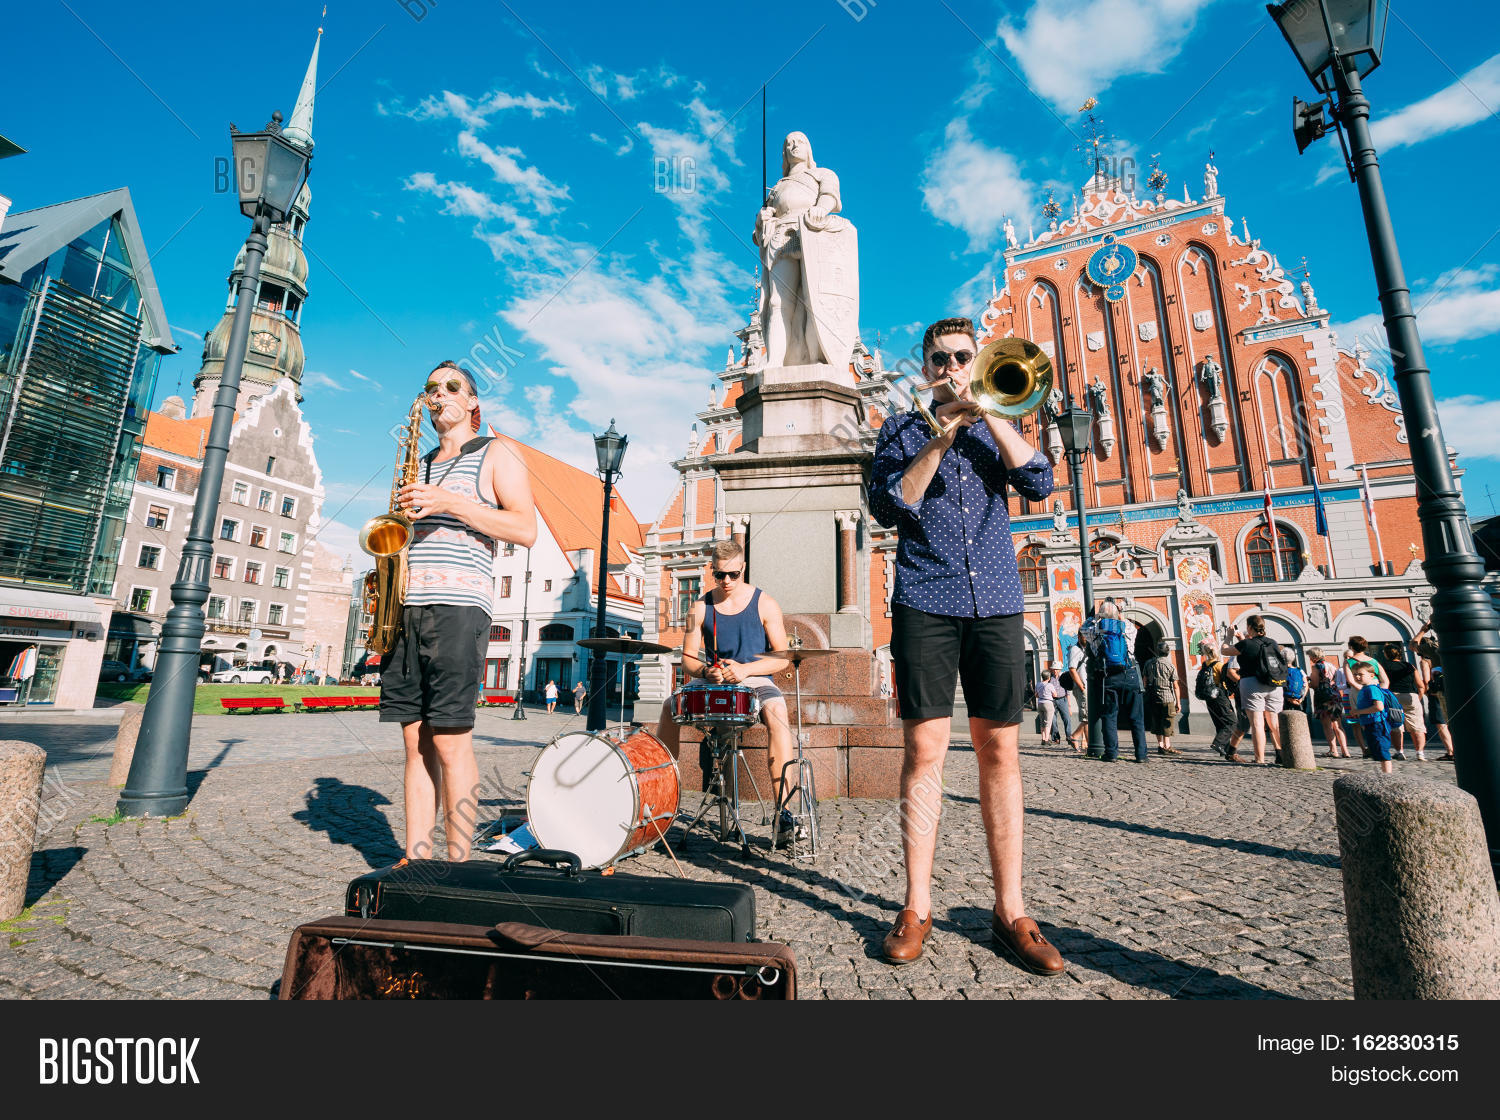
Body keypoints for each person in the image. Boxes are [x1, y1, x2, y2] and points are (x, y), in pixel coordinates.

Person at [868, 315, 1062, 975]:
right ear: (924, 368)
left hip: (999, 600)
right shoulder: (899, 430)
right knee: (924, 751)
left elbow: (1038, 482)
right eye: (939, 360)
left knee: (1001, 748)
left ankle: (1011, 909)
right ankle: (915, 905)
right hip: (925, 599)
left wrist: (990, 415)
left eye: (961, 358)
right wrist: (941, 436)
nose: (949, 368)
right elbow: (892, 506)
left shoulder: (998, 422)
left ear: (976, 363)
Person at [381, 361, 537, 863]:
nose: (439, 394)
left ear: (472, 402)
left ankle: (458, 861)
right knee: (414, 745)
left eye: (452, 386)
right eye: (430, 388)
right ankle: (415, 856)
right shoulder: (419, 463)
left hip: (458, 606)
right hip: (405, 607)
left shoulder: (497, 453)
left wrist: (450, 501)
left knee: (450, 741)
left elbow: (525, 528)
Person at [653, 539, 801, 842]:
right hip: (714, 678)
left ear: (743, 568)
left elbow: (782, 656)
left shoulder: (765, 603)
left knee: (778, 711)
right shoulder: (700, 607)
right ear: (713, 571)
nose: (727, 581)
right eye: (720, 575)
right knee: (669, 707)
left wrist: (746, 670)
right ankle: (662, 801)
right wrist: (706, 671)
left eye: (733, 574)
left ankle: (784, 812)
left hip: (756, 677)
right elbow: (688, 659)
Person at [1081, 600, 1149, 763]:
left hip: (1108, 677)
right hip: (1130, 674)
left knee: (1109, 716)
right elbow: (1126, 624)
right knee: (1136, 718)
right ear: (1117, 614)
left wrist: (1096, 617)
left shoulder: (1095, 630)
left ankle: (1111, 753)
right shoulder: (1128, 629)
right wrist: (1120, 612)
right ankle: (1141, 755)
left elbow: (1083, 628)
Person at [1221, 615, 1283, 766]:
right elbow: (1254, 648)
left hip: (1252, 684)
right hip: (1274, 683)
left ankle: (1260, 758)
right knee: (1274, 723)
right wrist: (1243, 639)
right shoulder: (1272, 642)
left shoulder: (1246, 644)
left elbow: (1225, 651)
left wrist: (1229, 637)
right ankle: (1280, 754)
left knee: (1257, 723)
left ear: (1249, 627)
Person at [1379, 641, 1426, 761]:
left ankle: (1399, 752)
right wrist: (1418, 698)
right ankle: (1420, 753)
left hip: (1393, 697)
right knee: (1417, 726)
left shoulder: (1384, 666)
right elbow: (1421, 685)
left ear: (1386, 654)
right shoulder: (1409, 666)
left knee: (1396, 726)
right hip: (1411, 696)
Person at [1416, 624, 1455, 760]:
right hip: (1448, 690)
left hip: (1436, 692)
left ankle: (1451, 751)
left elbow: (1427, 680)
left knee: (1441, 723)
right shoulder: (1442, 653)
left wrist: (1425, 691)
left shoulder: (1426, 661)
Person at [1348, 661, 1394, 775]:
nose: (1357, 677)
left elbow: (1378, 707)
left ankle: (1387, 775)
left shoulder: (1371, 689)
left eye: (1360, 674)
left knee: (1382, 750)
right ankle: (1383, 773)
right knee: (1376, 750)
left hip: (1377, 723)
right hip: (1370, 723)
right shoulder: (1364, 688)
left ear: (1372, 675)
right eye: (1355, 674)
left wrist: (1358, 711)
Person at [1196, 641, 1239, 761]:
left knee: (1220, 723)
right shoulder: (1219, 665)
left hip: (1209, 697)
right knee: (1232, 721)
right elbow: (1226, 680)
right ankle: (1218, 743)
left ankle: (1224, 750)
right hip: (1219, 696)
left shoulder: (1205, 664)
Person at [1307, 647, 1351, 759]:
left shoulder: (1316, 666)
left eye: (1310, 656)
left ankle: (1334, 750)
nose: (1310, 658)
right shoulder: (1331, 665)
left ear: (1315, 657)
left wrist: (1308, 682)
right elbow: (1334, 680)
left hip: (1323, 696)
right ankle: (1345, 751)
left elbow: (1316, 684)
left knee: (1327, 725)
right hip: (1335, 695)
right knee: (1338, 725)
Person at [1141, 640, 1181, 755]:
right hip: (1167, 698)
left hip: (1153, 697)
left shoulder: (1148, 663)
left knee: (1156, 720)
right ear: (1167, 652)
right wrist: (1178, 702)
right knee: (1167, 721)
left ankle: (1160, 745)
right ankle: (1167, 746)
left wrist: (1146, 692)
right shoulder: (1170, 665)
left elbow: (1145, 680)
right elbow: (1175, 686)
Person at [1037, 664, 1072, 745]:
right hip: (1052, 701)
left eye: (1057, 669)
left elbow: (1068, 692)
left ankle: (1069, 736)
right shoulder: (1050, 678)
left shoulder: (1063, 677)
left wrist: (1069, 705)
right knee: (1052, 720)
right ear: (1052, 670)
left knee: (1067, 718)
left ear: (1060, 670)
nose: (1055, 671)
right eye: (1054, 669)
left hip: (1063, 699)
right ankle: (1056, 738)